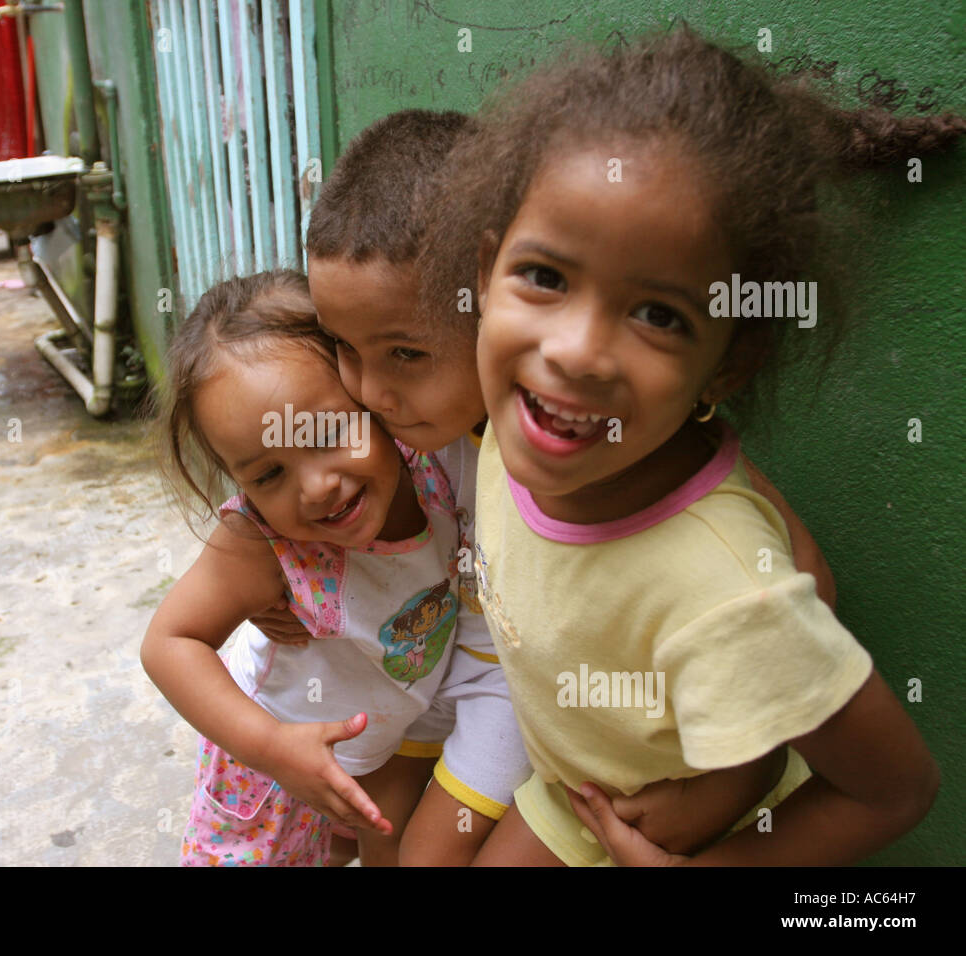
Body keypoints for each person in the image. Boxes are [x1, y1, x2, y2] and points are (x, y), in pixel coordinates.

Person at [417, 27, 959, 864]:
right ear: (486, 277)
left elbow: (896, 789)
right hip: (576, 792)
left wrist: (730, 803)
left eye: (659, 316)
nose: (575, 352)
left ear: (727, 365)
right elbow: (812, 567)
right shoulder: (510, 424)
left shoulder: (725, 590)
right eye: (547, 277)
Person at [306, 107, 839, 864]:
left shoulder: (604, 455)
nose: (370, 391)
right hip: (571, 769)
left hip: (675, 792)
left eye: (406, 355)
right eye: (345, 350)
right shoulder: (457, 432)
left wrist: (726, 790)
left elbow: (804, 586)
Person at [141, 270, 464, 866]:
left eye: (328, 431)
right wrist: (273, 748)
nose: (317, 488)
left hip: (383, 749)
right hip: (271, 773)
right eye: (268, 475)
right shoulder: (262, 542)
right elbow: (168, 642)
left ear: (365, 384)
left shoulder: (437, 463)